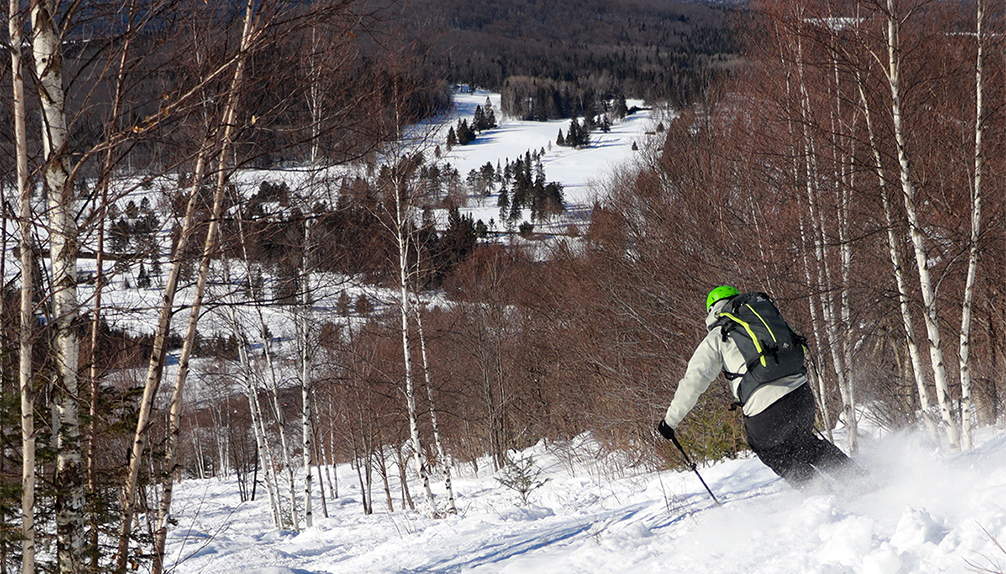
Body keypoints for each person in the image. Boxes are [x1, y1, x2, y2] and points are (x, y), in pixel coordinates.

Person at [656, 285, 863, 492]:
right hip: (802, 396)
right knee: (806, 445)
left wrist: (670, 422)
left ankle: (822, 496)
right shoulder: (763, 318)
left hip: (764, 412)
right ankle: (861, 482)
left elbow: (693, 383)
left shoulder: (718, 336)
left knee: (772, 451)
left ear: (711, 310)